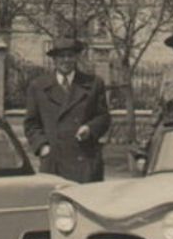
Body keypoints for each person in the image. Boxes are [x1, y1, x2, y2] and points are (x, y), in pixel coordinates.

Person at [24, 36, 111, 183]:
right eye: (61, 56)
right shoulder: (38, 86)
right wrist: (43, 147)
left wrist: (89, 128)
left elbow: (103, 117)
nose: (66, 60)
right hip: (53, 162)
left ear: (76, 57)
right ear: (54, 59)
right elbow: (31, 124)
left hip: (85, 160)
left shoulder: (93, 83)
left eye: (70, 55)